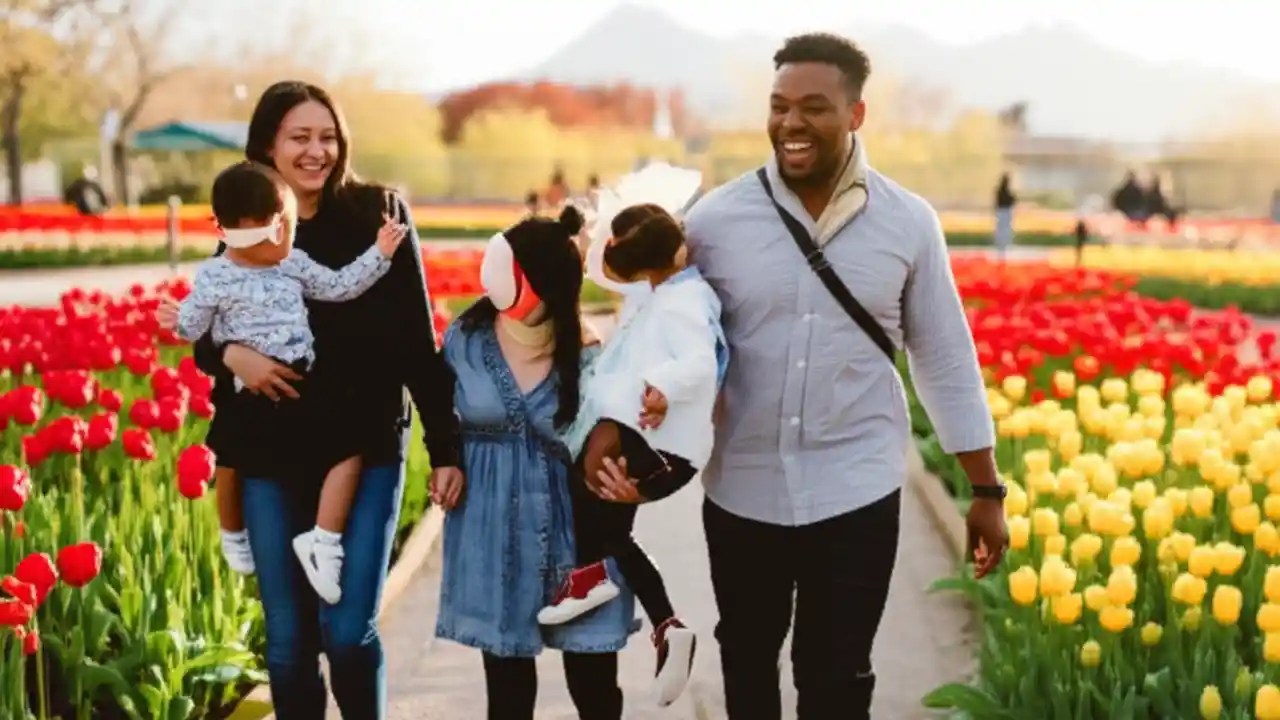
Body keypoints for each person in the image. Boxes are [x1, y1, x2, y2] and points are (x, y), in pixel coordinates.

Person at [617, 33, 1008, 719]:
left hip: (857, 485)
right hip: (743, 486)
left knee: (837, 676)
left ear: (855, 115)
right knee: (746, 653)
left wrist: (984, 489)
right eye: (779, 106)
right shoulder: (713, 224)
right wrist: (622, 447)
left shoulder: (908, 224)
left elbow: (943, 355)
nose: (791, 123)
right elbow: (652, 337)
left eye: (814, 107)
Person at [185, 81, 463, 720]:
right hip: (270, 450)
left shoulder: (378, 213)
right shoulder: (252, 213)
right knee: (287, 645)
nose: (318, 151)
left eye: (328, 136)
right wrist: (232, 357)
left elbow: (415, 339)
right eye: (300, 137)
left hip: (362, 449)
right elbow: (207, 328)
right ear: (267, 146)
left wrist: (444, 446)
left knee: (346, 633)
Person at [163, 161, 409, 606]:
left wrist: (380, 253)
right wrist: (184, 323)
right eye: (292, 227)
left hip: (300, 380)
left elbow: (340, 286)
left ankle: (323, 541)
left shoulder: (292, 264)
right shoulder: (215, 275)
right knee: (230, 457)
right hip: (250, 395)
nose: (294, 237)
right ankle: (232, 532)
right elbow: (198, 326)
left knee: (348, 449)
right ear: (274, 229)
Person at [434, 206, 637, 720]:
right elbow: (436, 408)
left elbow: (621, 438)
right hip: (493, 527)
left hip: (577, 534)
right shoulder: (467, 340)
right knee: (507, 692)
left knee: (593, 686)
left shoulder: (590, 353)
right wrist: (445, 459)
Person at [537, 203, 728, 707]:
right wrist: (583, 241)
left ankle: (590, 577)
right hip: (650, 440)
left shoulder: (682, 304)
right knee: (610, 529)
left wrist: (662, 388)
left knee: (591, 494)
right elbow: (609, 270)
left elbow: (701, 365)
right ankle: (665, 624)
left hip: (662, 448)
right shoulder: (664, 290)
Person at [993, 172, 1017, 259]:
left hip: (1002, 212)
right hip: (1005, 211)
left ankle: (1002, 244)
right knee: (1005, 229)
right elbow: (1012, 201)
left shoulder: (999, 190)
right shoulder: (1006, 191)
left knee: (1002, 229)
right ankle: (1004, 244)